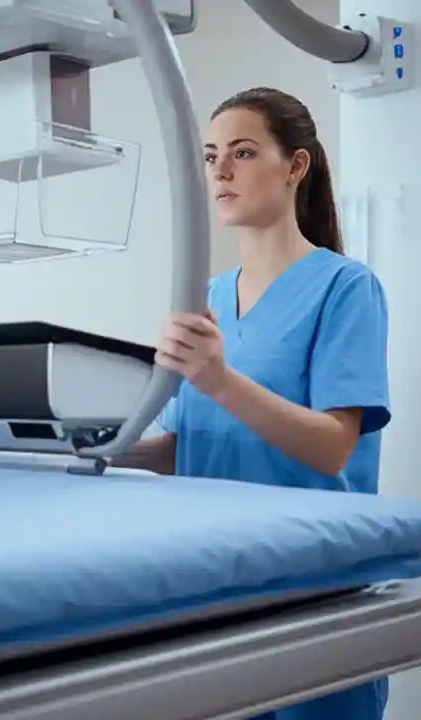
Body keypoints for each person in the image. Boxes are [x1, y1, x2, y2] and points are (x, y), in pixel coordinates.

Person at [114, 86, 392, 720]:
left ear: (296, 166)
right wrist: (87, 448)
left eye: (242, 152)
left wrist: (218, 379)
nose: (220, 171)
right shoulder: (204, 295)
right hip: (216, 579)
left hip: (310, 584)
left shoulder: (346, 287)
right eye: (212, 155)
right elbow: (186, 445)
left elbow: (333, 446)